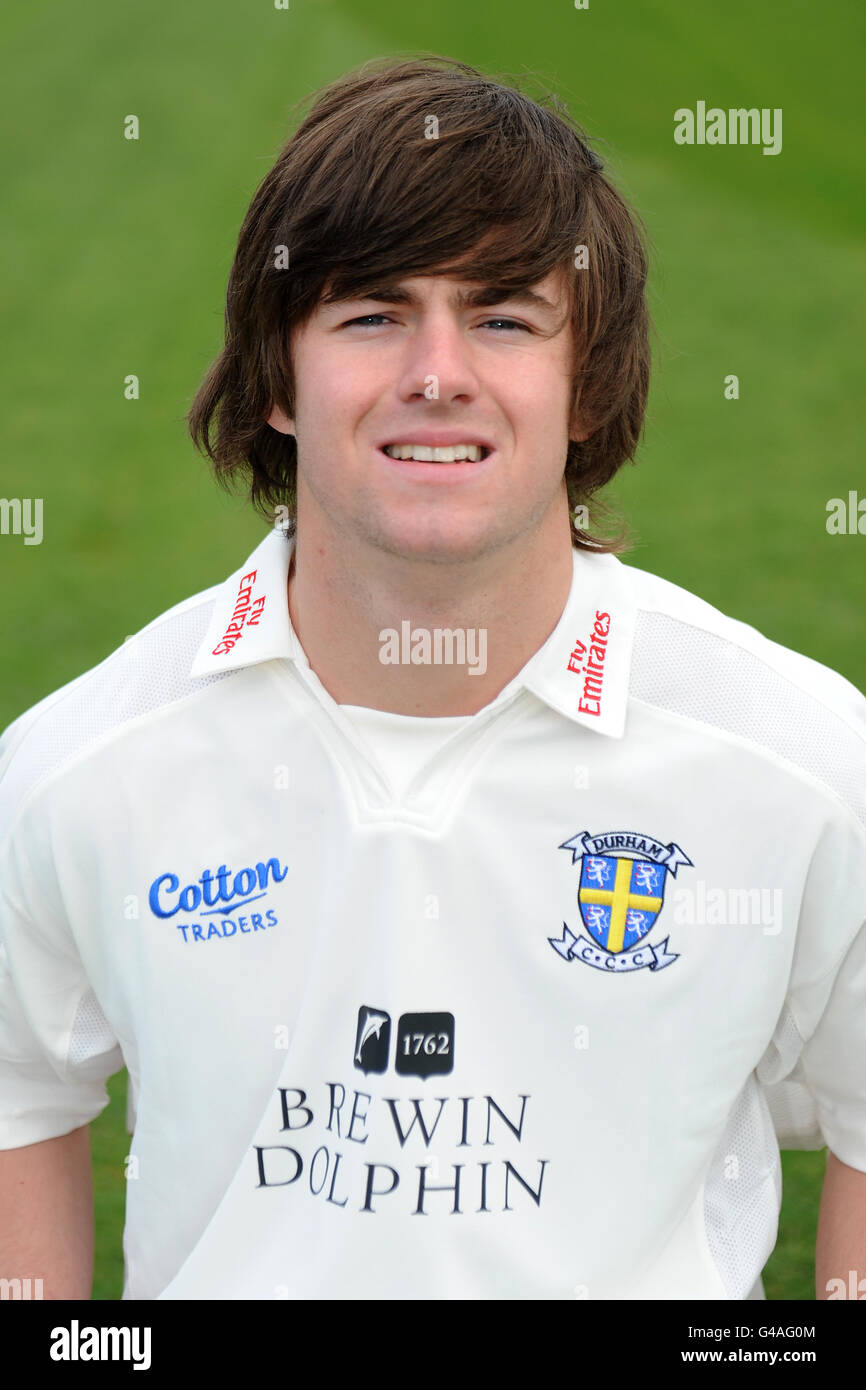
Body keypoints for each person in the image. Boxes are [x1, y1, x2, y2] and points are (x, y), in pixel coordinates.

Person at [0, 55, 864, 1303]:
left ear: (584, 385)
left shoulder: (801, 763)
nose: (437, 371)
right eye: (371, 314)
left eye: (503, 316)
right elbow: (21, 1090)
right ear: (278, 377)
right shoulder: (78, 766)